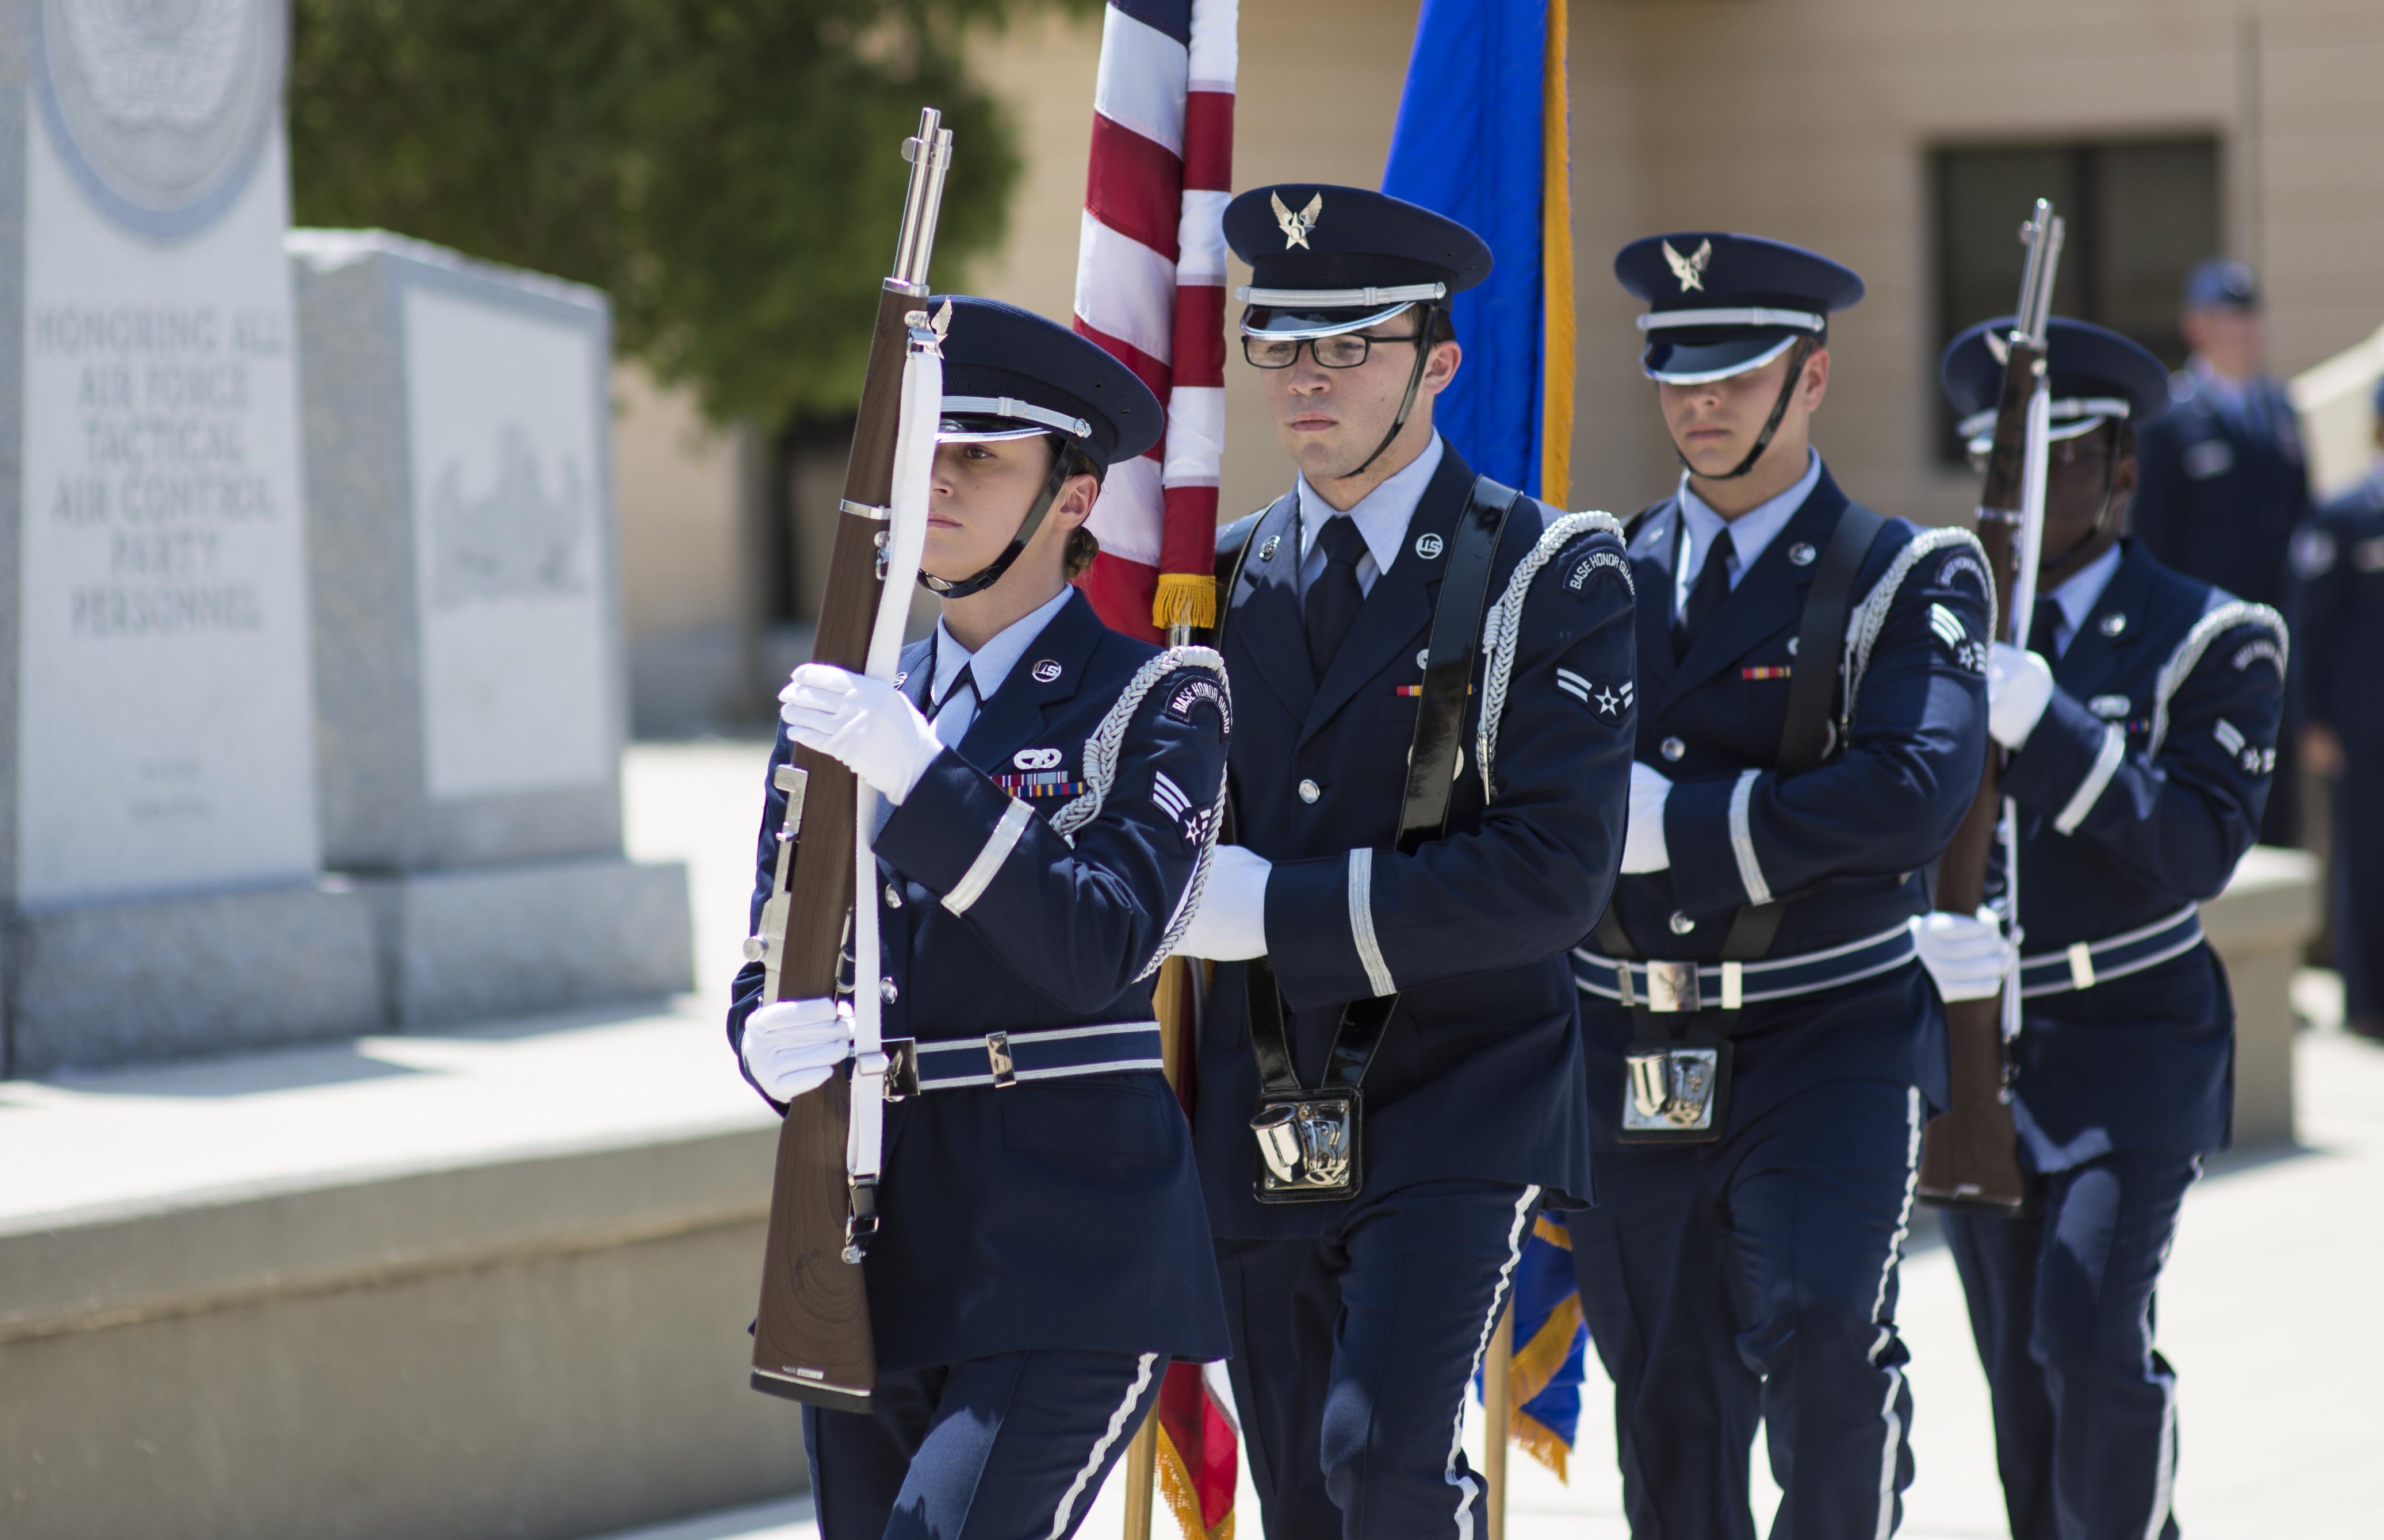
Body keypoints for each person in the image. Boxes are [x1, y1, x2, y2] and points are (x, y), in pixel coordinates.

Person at [1159, 185, 1637, 1539]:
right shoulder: (1208, 585)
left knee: (1376, 1458)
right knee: (1306, 1501)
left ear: (1437, 361)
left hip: (1456, 1091)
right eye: (1277, 343)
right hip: (1260, 1101)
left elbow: (1553, 870)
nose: (1303, 378)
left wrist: (1276, 907)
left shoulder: (1547, 571)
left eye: (1347, 344)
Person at [726, 296, 1235, 1540]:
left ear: (1073, 497)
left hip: (1071, 1245)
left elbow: (1100, 939)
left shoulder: (1156, 699)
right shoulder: (856, 702)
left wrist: (921, 775)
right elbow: (777, 944)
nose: (939, 480)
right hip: (873, 1240)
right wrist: (758, 1038)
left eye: (982, 456)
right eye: (927, 452)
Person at [1568, 232, 1992, 1540]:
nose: (1699, 401)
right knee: (1665, 1402)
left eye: (1736, 373)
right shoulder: (1592, 576)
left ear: (1809, 378)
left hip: (1825, 1035)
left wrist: (1682, 829)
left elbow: (1911, 787)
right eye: (1675, 371)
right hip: (1627, 1044)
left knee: (1819, 1331)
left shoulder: (1903, 574)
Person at [1934, 316, 2283, 1540]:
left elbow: (2195, 845)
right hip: (1980, 1050)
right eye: (1997, 462)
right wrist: (1917, 928)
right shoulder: (1942, 634)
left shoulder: (2211, 632)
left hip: (2133, 1040)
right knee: (2019, 1391)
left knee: (2082, 1334)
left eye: (2052, 457)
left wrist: (2054, 730)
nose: (2020, 491)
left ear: (2120, 466)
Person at [2132, 256, 2311, 844]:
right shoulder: (2170, 419)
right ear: (2196, 327)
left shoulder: (2280, 412)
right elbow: (2152, 543)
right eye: (2228, 318)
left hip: (2273, 643)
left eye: (2249, 318)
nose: (2243, 331)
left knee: (2275, 801)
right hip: (2203, 645)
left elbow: (2300, 526)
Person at [2293, 375, 2384, 1041]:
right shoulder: (2343, 514)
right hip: (2362, 726)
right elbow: (2310, 628)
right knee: (2365, 862)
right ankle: (2366, 1001)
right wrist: (2312, 719)